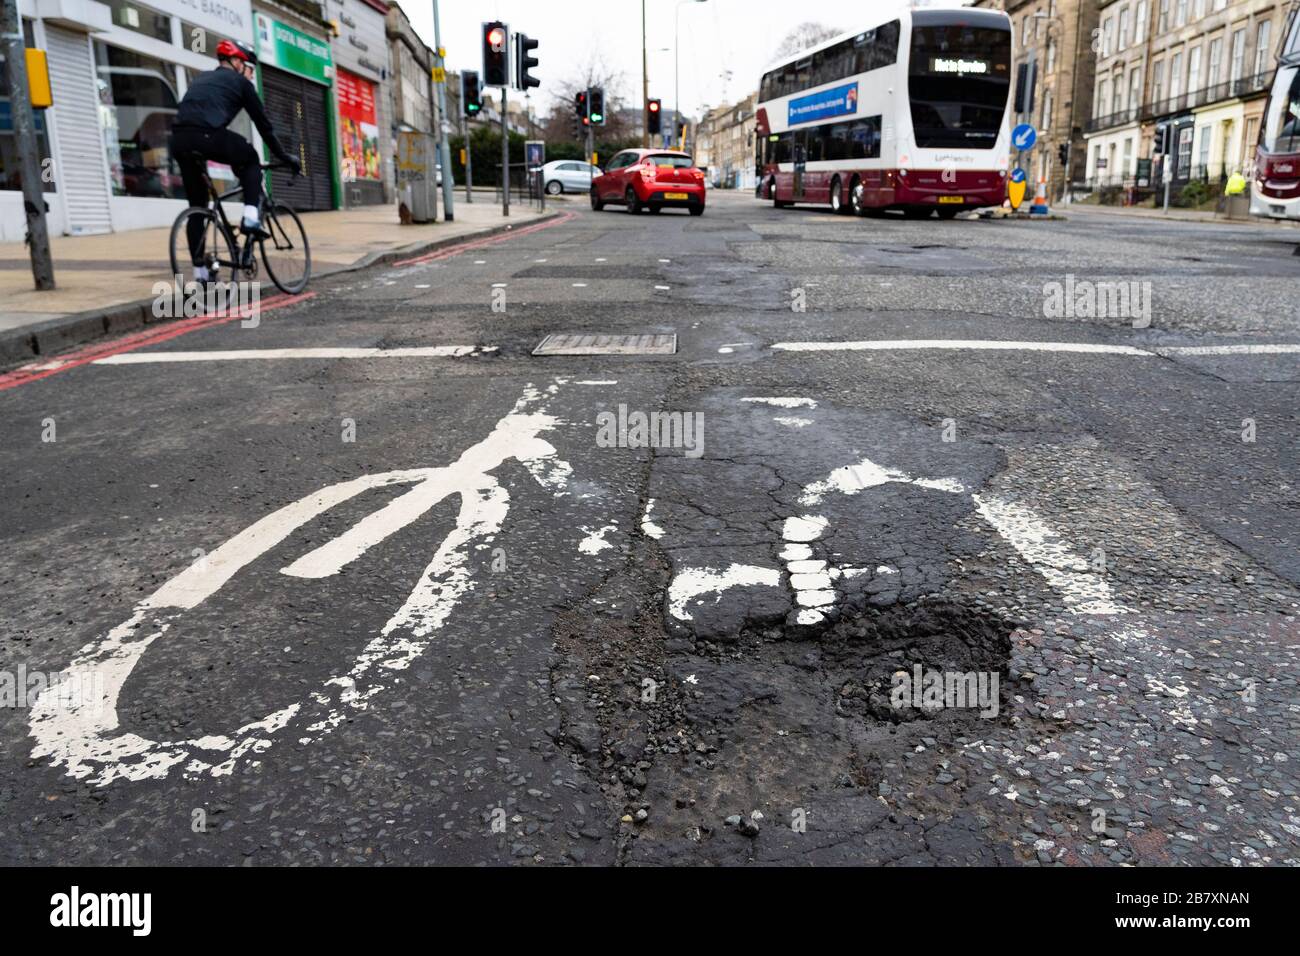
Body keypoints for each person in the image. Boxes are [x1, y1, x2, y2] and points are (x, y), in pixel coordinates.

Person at [171, 39, 299, 279]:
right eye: (250, 68)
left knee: (198, 209)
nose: (250, 75)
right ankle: (251, 217)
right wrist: (285, 156)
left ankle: (201, 274)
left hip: (178, 140)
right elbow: (265, 127)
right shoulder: (241, 83)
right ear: (238, 62)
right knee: (250, 158)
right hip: (206, 135)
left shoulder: (200, 78)